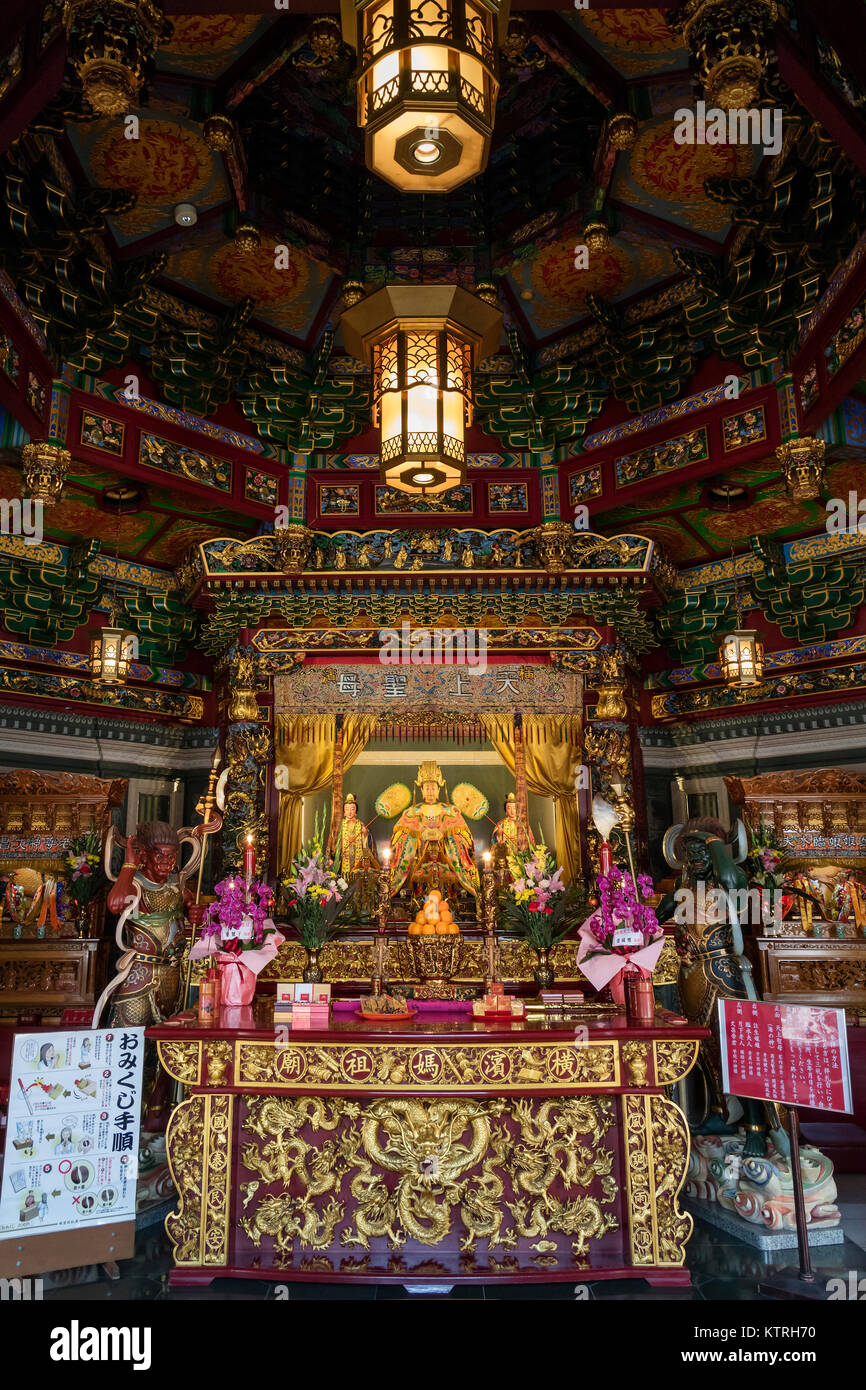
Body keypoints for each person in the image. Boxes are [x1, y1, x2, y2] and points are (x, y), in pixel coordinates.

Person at [389, 761, 480, 900]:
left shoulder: (448, 811)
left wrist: (447, 836)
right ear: (421, 791)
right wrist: (413, 838)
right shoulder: (413, 812)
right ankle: (416, 899)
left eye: (433, 788)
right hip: (420, 859)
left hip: (443, 860)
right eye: (427, 788)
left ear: (438, 790)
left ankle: (449, 899)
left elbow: (463, 838)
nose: (430, 792)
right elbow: (400, 839)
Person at [491, 792, 535, 880]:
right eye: (509, 808)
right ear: (506, 811)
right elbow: (495, 844)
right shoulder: (501, 824)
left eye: (514, 808)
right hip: (506, 859)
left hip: (520, 856)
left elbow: (530, 841)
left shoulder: (523, 824)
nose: (512, 811)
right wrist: (500, 835)